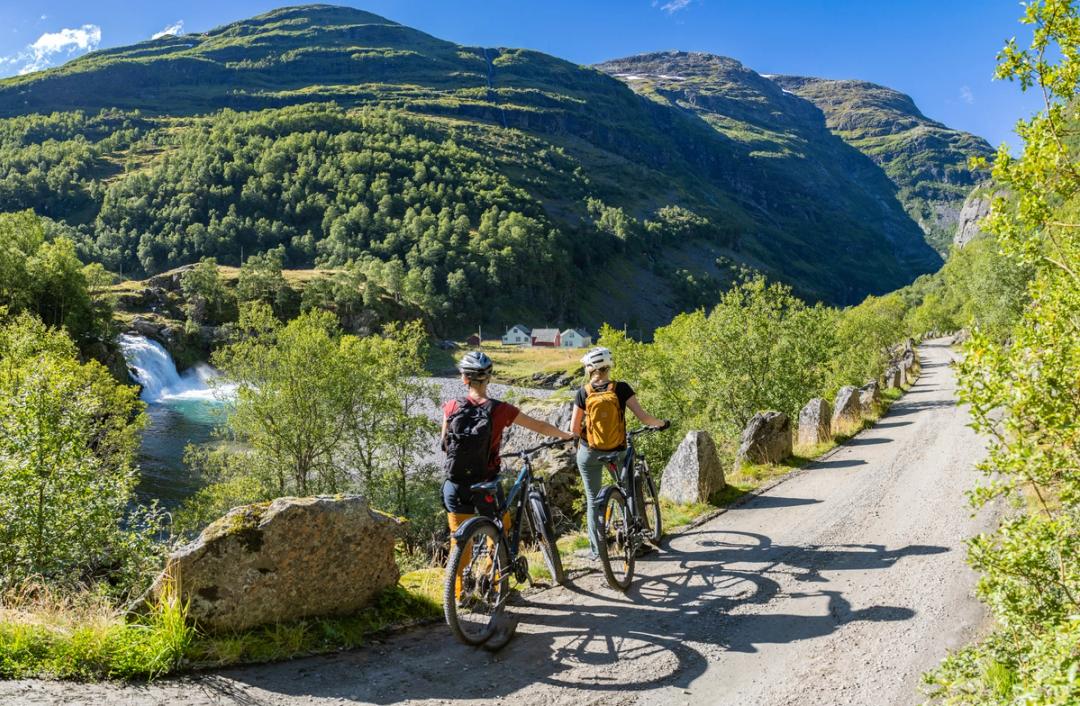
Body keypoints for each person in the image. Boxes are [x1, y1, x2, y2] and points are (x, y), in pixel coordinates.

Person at [441, 350, 575, 545]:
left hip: (455, 483)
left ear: (464, 378)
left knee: (459, 541)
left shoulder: (451, 407)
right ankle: (494, 573)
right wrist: (567, 435)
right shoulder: (502, 409)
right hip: (485, 483)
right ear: (489, 378)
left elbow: (445, 444)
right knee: (498, 530)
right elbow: (540, 426)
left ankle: (459, 574)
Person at [571, 346, 668, 558]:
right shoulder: (621, 388)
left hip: (589, 453)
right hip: (617, 451)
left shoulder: (583, 392)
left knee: (592, 501)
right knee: (627, 493)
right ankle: (635, 542)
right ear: (608, 366)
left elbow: (574, 429)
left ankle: (598, 551)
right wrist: (661, 424)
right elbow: (644, 418)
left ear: (590, 369)